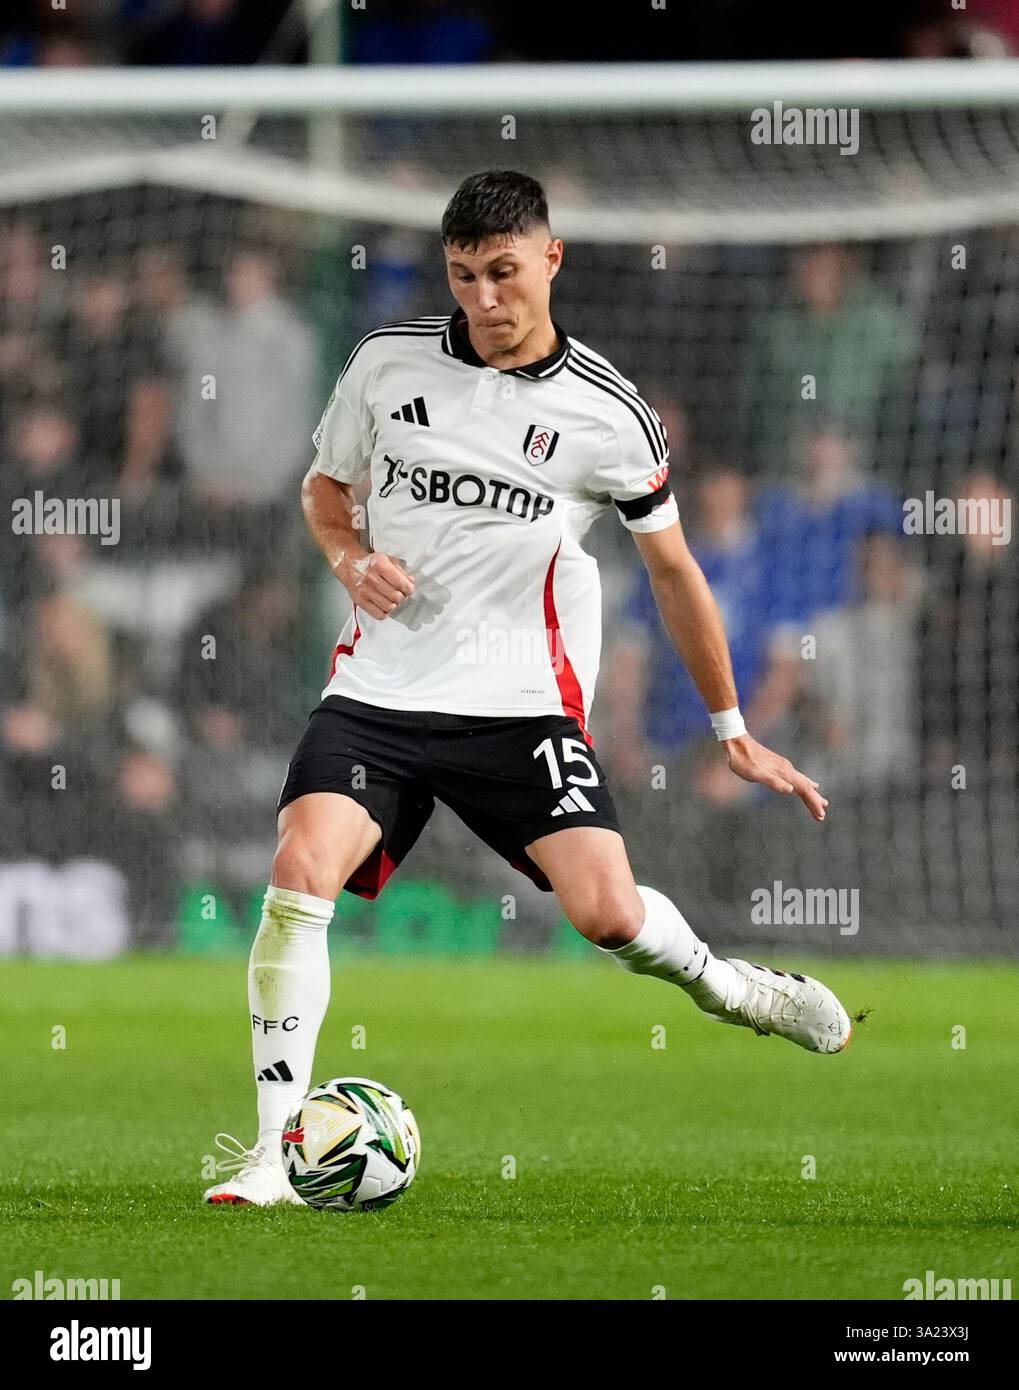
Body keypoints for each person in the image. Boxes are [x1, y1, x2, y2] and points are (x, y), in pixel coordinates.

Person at [203, 170, 852, 1208]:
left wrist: (730, 727)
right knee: (298, 870)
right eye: (462, 277)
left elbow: (673, 570)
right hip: (379, 687)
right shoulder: (385, 364)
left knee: (606, 918)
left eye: (502, 272)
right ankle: (274, 1150)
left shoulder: (610, 414)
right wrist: (346, 560)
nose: (483, 300)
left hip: (520, 706)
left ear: (550, 258)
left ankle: (734, 988)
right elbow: (325, 492)